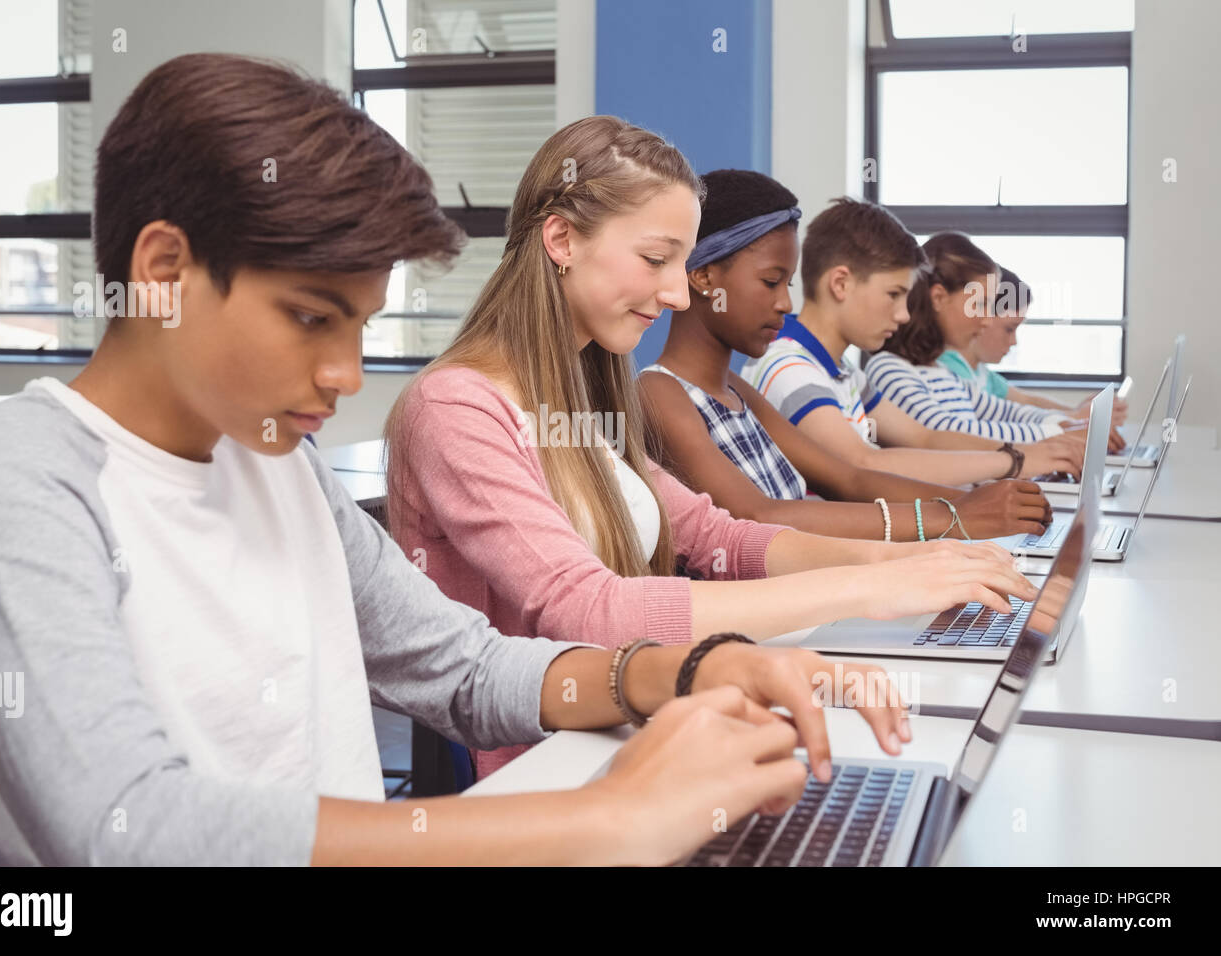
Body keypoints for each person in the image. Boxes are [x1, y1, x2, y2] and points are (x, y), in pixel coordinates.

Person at [0, 54, 916, 867]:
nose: (349, 374)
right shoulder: (17, 477)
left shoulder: (274, 457)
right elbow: (127, 827)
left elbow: (463, 664)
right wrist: (600, 818)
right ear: (165, 270)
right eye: (313, 317)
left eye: (359, 325)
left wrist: (684, 669)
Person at [384, 116, 1037, 778]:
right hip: (543, 773)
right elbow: (590, 609)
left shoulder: (581, 400)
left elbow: (721, 536)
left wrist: (913, 562)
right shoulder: (455, 409)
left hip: (632, 733)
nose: (675, 293)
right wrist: (870, 586)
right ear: (562, 239)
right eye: (655, 259)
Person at [641, 170, 1063, 538]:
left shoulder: (735, 389)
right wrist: (952, 516)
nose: (786, 304)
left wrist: (979, 504)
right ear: (702, 277)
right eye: (771, 282)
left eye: (787, 284)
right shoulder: (660, 392)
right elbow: (758, 516)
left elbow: (850, 479)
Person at [864, 231, 1090, 449]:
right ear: (939, 298)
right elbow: (950, 433)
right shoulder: (889, 369)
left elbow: (1007, 412)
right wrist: (1058, 434)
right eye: (979, 305)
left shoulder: (943, 373)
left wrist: (1069, 424)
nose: (986, 320)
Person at [940, 266, 1128, 444]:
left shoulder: (980, 372)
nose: (1014, 341)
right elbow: (979, 433)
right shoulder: (949, 370)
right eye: (1009, 329)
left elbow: (1025, 401)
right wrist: (1073, 421)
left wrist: (1075, 413)